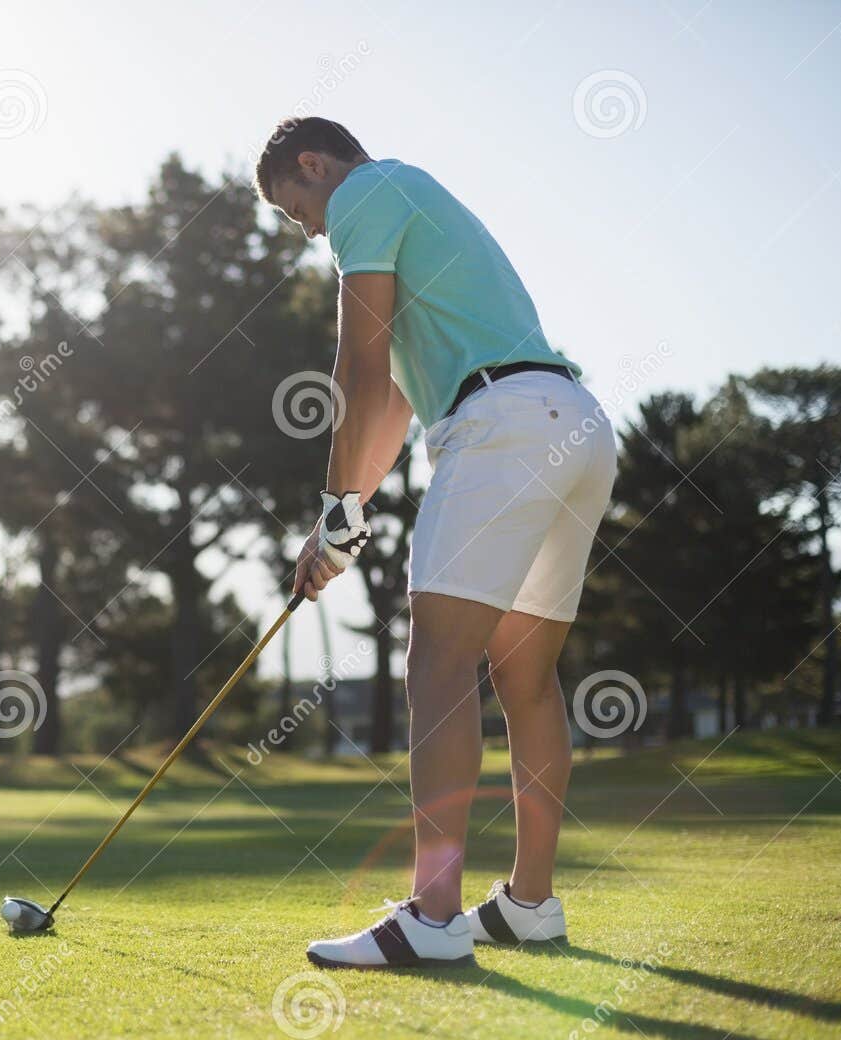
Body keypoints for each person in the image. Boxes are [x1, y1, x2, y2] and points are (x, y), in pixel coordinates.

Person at [257, 117, 617, 968]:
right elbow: (389, 409)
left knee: (438, 664)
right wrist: (338, 520)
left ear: (314, 164)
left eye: (295, 204)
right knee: (525, 679)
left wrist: (338, 499)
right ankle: (529, 904)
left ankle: (433, 915)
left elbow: (359, 369)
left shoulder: (364, 195)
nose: (306, 226)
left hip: (500, 429)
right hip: (573, 425)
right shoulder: (415, 201)